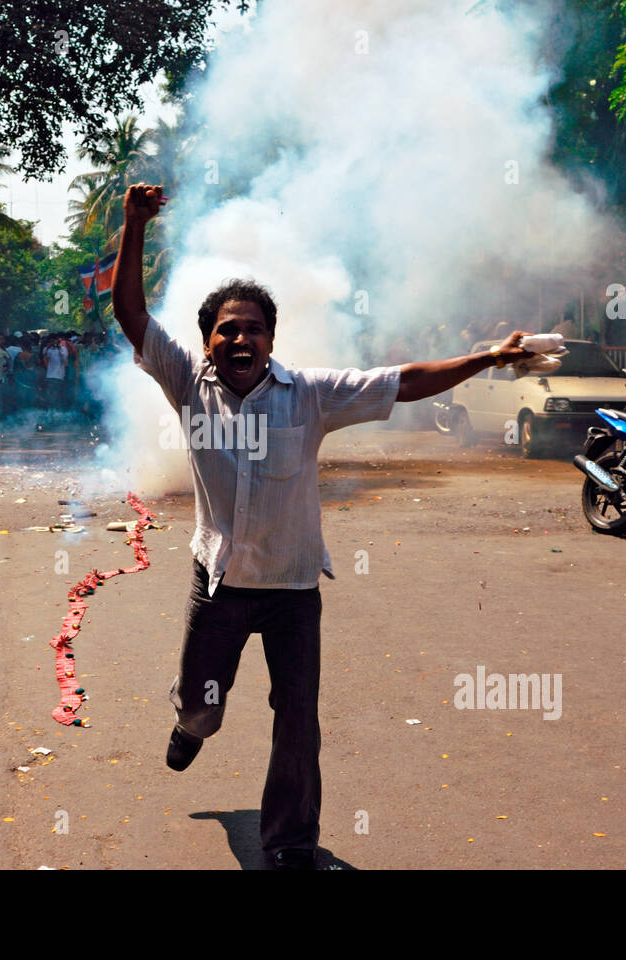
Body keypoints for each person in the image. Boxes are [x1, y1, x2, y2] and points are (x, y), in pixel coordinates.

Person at [113, 183, 534, 870]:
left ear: (272, 338)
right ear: (208, 342)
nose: (240, 337)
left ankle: (289, 842)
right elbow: (130, 312)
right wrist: (134, 224)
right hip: (218, 584)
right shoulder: (187, 382)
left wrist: (485, 358)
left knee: (297, 720)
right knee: (201, 706)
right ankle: (191, 726)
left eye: (253, 327)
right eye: (227, 328)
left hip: (292, 589)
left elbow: (403, 380)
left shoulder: (310, 394)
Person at [43, 335, 69, 409]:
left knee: (57, 394)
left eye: (54, 341)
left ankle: (58, 409)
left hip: (59, 376)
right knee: (50, 394)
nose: (53, 343)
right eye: (51, 341)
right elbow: (44, 358)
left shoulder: (63, 349)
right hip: (50, 375)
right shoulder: (47, 349)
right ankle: (51, 409)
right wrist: (48, 347)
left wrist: (59, 348)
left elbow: (65, 361)